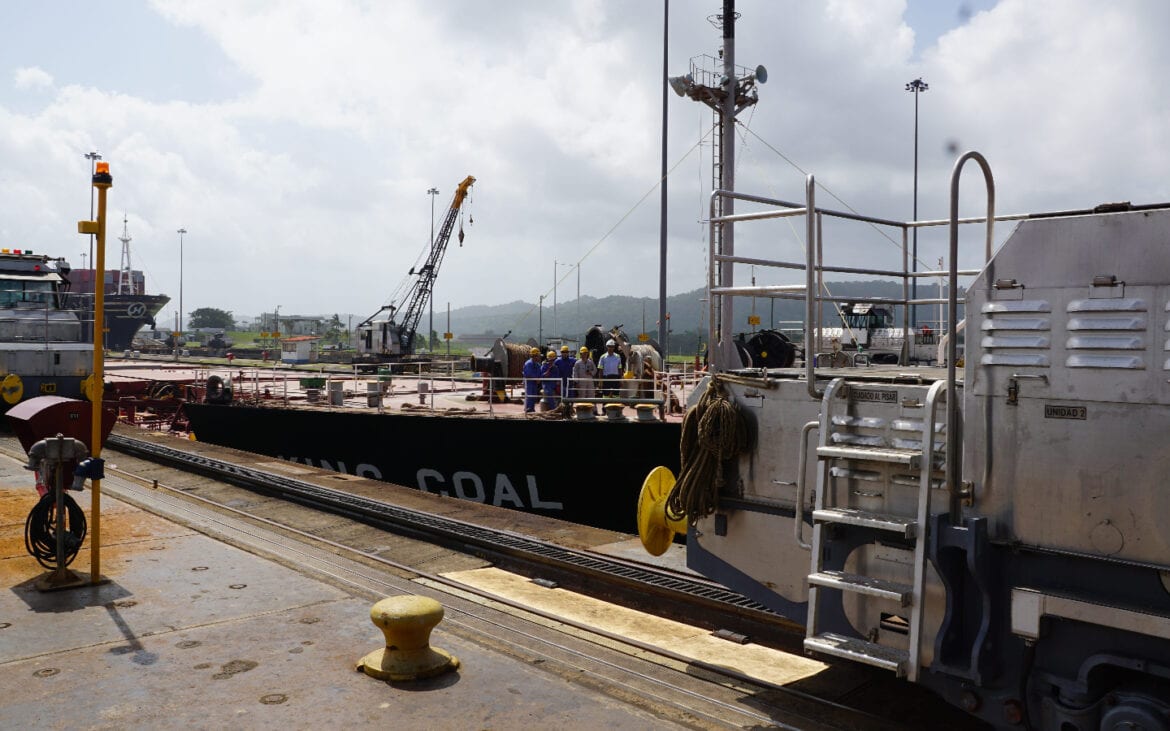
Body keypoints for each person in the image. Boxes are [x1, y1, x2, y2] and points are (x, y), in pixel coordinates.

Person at [572, 345, 597, 414]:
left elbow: (595, 370)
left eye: (585, 353)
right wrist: (576, 382)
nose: (584, 355)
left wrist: (591, 373)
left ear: (587, 354)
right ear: (580, 354)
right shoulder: (577, 363)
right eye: (582, 353)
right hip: (581, 381)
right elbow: (575, 373)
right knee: (582, 396)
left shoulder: (590, 362)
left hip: (589, 381)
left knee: (591, 395)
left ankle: (593, 410)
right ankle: (581, 411)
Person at [521, 347, 543, 413]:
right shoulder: (528, 364)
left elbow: (540, 372)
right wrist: (536, 379)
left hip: (535, 383)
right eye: (537, 356)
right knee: (529, 396)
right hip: (529, 383)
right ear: (534, 356)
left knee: (533, 396)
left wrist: (539, 378)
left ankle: (532, 409)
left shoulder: (538, 364)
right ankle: (528, 410)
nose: (538, 357)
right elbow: (528, 373)